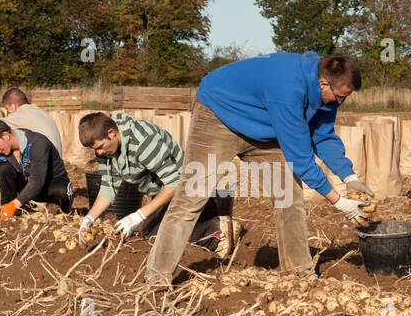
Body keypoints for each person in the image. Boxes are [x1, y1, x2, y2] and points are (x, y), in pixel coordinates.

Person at [145, 52, 373, 285]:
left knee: (288, 199)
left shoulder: (328, 94)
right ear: (323, 82)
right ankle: (156, 279)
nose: (339, 102)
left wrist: (349, 176)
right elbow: (302, 159)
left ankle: (299, 275)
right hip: (218, 116)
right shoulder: (288, 88)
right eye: (339, 96)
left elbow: (323, 136)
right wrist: (339, 202)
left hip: (263, 127)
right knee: (191, 198)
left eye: (344, 98)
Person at [77, 111, 225, 252]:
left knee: (166, 240)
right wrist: (89, 219)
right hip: (161, 189)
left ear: (111, 133)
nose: (99, 153)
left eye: (100, 147)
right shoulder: (106, 149)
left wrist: (138, 215)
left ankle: (217, 231)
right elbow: (109, 188)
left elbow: (175, 182)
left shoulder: (143, 142)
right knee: (149, 237)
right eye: (95, 149)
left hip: (187, 184)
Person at [0, 118, 74, 218]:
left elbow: (37, 181)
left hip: (49, 185)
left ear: (6, 135)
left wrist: (15, 204)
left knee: (62, 189)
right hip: (28, 188)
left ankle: (65, 213)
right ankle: (10, 213)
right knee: (3, 168)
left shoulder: (38, 143)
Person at [1, 87, 64, 156]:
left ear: (13, 106)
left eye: (7, 109)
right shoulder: (40, 112)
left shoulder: (22, 114)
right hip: (56, 161)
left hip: (45, 162)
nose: (8, 113)